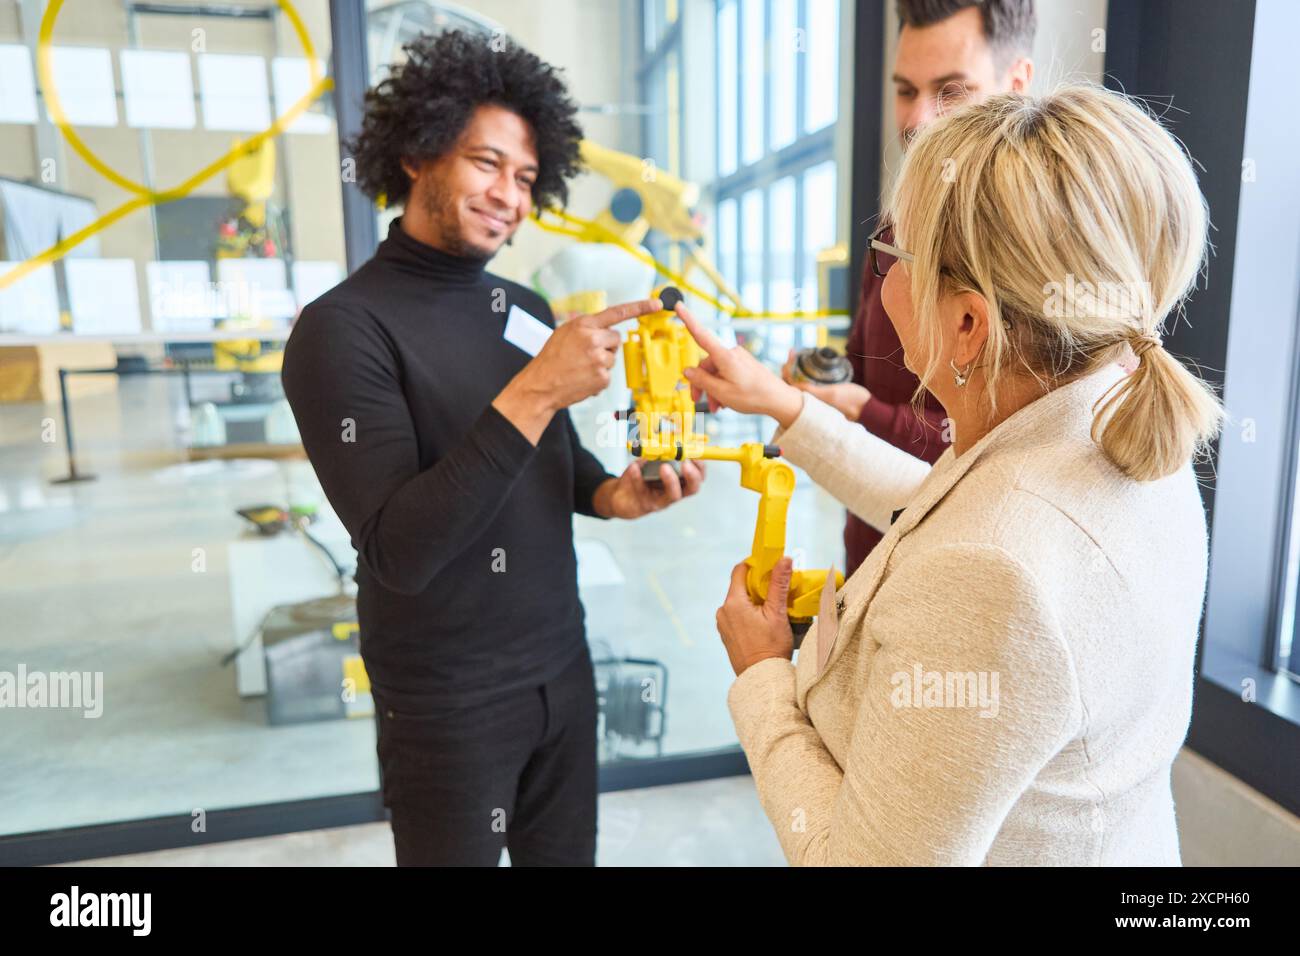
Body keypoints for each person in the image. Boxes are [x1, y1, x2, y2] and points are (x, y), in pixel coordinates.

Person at [676, 83, 1224, 865]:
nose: (884, 280)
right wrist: (782, 405)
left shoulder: (996, 573)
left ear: (968, 325)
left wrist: (763, 678)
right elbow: (944, 507)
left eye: (894, 255)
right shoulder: (1110, 411)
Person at [281, 30, 703, 866]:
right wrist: (542, 384)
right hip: (445, 705)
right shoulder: (341, 331)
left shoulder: (523, 305)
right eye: (486, 163)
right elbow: (400, 548)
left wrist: (614, 494)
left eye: (524, 177)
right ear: (417, 149)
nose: (508, 194)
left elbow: (556, 462)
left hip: (562, 666)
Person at [783, 0, 1035, 576]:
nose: (919, 119)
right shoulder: (893, 233)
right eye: (905, 90)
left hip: (954, 577)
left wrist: (863, 411)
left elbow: (988, 454)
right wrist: (812, 387)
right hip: (870, 563)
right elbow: (860, 370)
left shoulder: (1035, 261)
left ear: (1017, 84)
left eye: (951, 90)